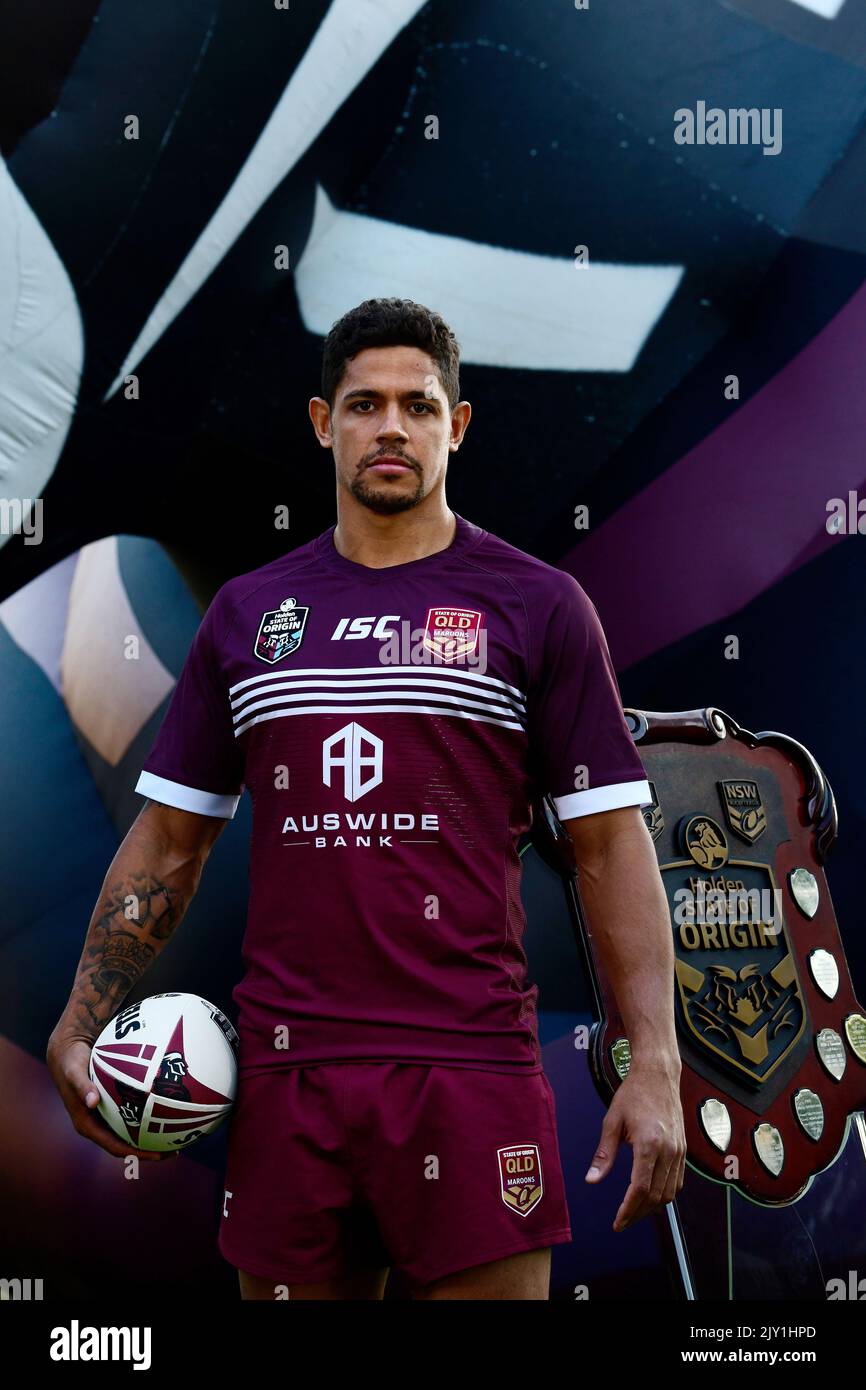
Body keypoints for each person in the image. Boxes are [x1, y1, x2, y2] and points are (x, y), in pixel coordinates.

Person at [46, 297, 685, 1301]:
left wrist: (654, 1063)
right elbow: (170, 840)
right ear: (321, 421)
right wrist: (83, 1018)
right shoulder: (250, 616)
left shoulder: (536, 606)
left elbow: (609, 847)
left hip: (471, 1072)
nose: (391, 425)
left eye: (418, 405)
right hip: (290, 1077)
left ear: (455, 426)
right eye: (364, 403)